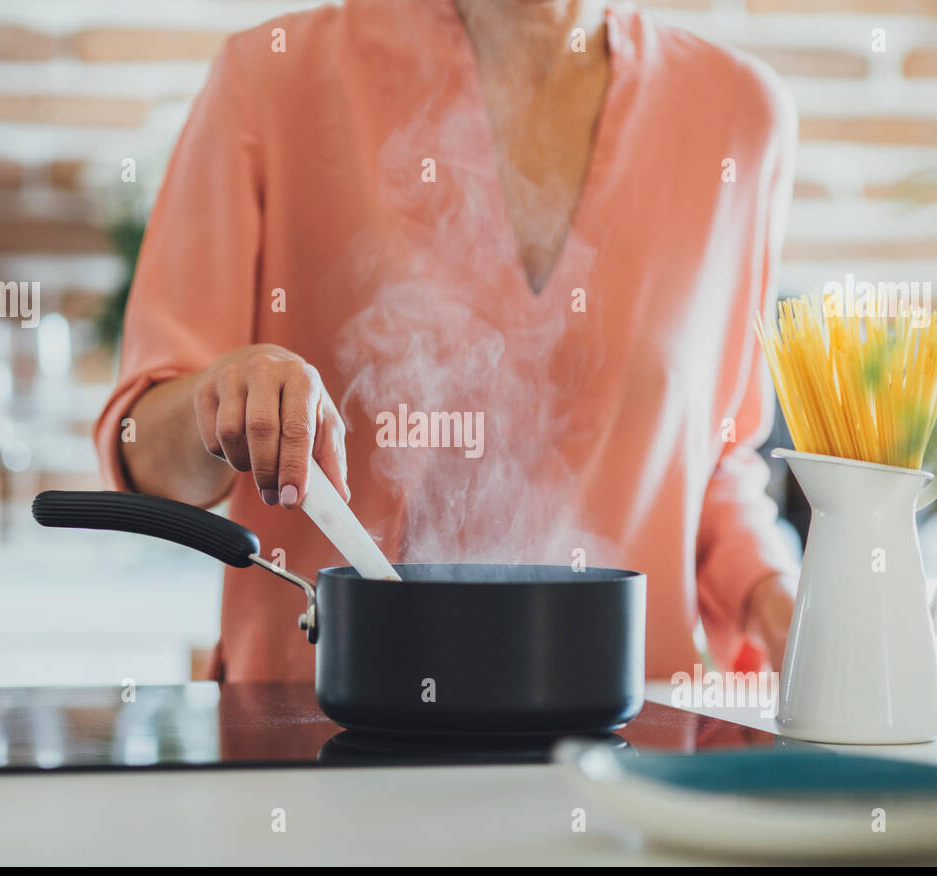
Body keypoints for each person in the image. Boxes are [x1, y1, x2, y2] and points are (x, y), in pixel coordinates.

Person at [96, 0, 798, 683]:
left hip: (627, 742)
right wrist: (225, 399)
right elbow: (142, 446)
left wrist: (778, 599)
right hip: (323, 736)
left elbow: (711, 465)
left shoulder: (737, 115)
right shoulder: (270, 78)